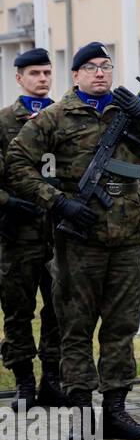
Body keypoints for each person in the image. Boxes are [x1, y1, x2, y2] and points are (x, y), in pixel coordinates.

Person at [9, 42, 140, 440]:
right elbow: (16, 163)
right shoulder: (56, 117)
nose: (100, 73)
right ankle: (81, 413)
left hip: (128, 240)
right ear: (76, 74)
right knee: (75, 329)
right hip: (78, 242)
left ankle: (116, 408)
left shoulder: (129, 115)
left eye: (106, 66)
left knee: (120, 328)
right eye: (91, 67)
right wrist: (57, 201)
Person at [0, 48, 62, 408]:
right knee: (17, 309)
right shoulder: (5, 121)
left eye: (46, 73)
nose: (42, 79)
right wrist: (9, 204)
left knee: (57, 309)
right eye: (34, 73)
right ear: (19, 78)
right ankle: (23, 381)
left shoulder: (62, 117)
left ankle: (52, 379)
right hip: (18, 234)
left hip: (58, 232)